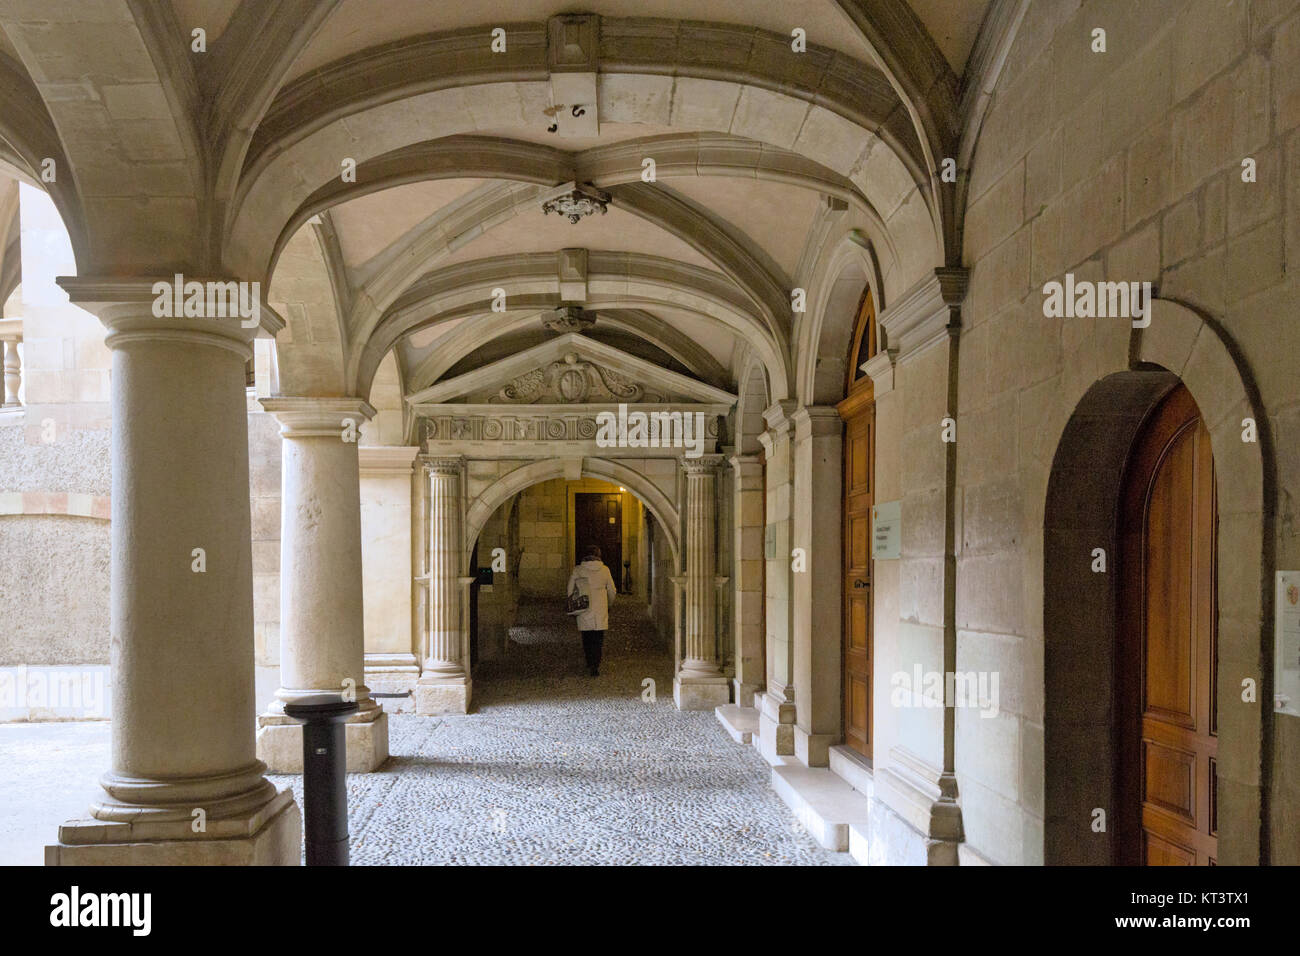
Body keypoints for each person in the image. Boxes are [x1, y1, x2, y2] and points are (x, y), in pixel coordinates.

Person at [567, 544, 618, 676]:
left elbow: (570, 589)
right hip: (600, 606)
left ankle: (589, 661)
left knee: (587, 636)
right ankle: (595, 664)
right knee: (598, 637)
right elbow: (612, 590)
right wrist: (609, 604)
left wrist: (573, 604)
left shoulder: (578, 570)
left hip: (584, 605)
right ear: (599, 555)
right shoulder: (605, 570)